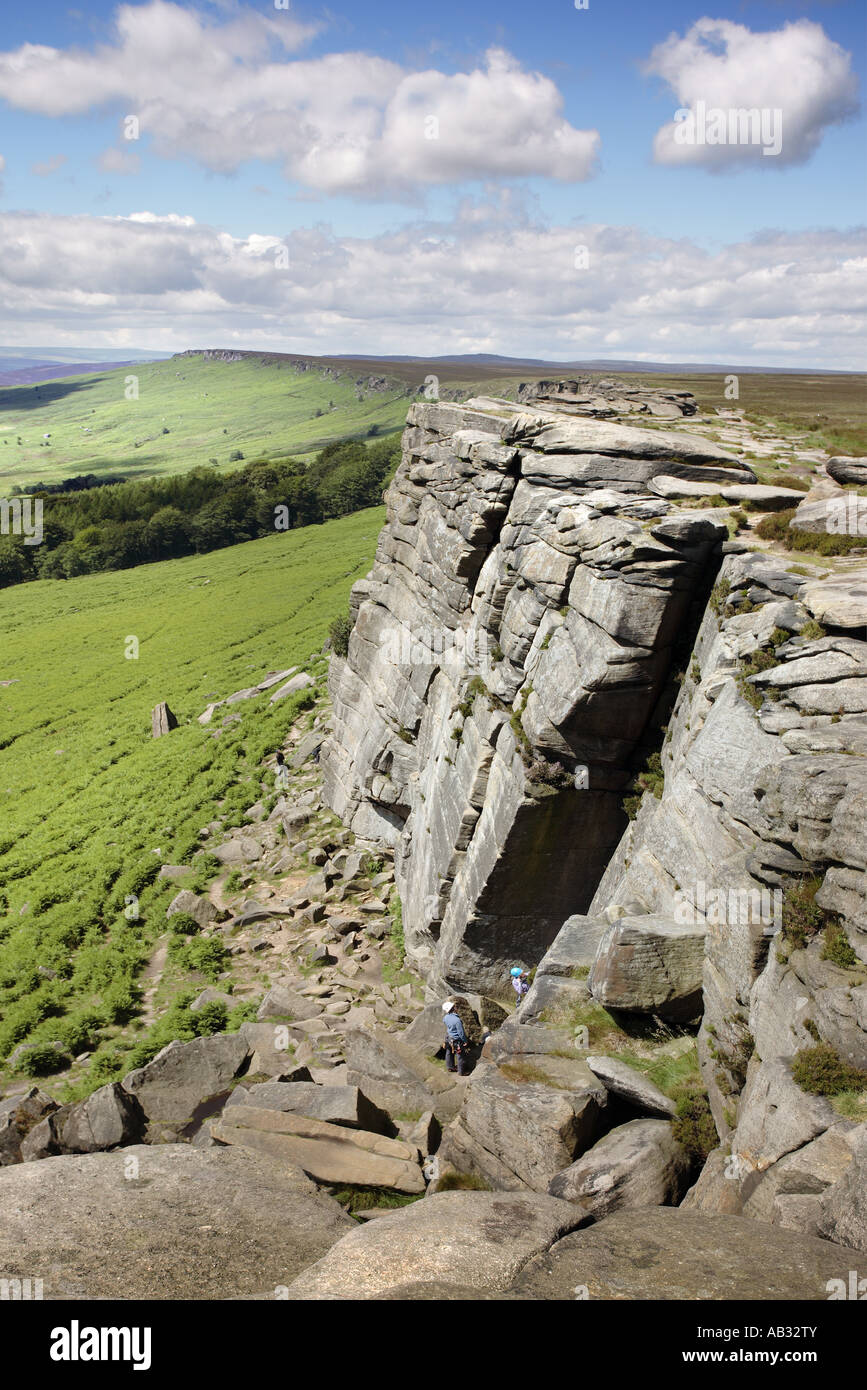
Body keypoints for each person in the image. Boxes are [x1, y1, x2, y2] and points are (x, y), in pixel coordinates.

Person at [442, 1000, 468, 1075]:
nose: (456, 1007)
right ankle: (461, 1072)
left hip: (448, 1038)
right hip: (456, 1041)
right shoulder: (457, 1020)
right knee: (460, 1056)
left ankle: (450, 1067)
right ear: (453, 1009)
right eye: (455, 1007)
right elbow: (461, 1033)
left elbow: (445, 1022)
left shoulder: (446, 1017)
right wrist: (465, 1041)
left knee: (449, 1052)